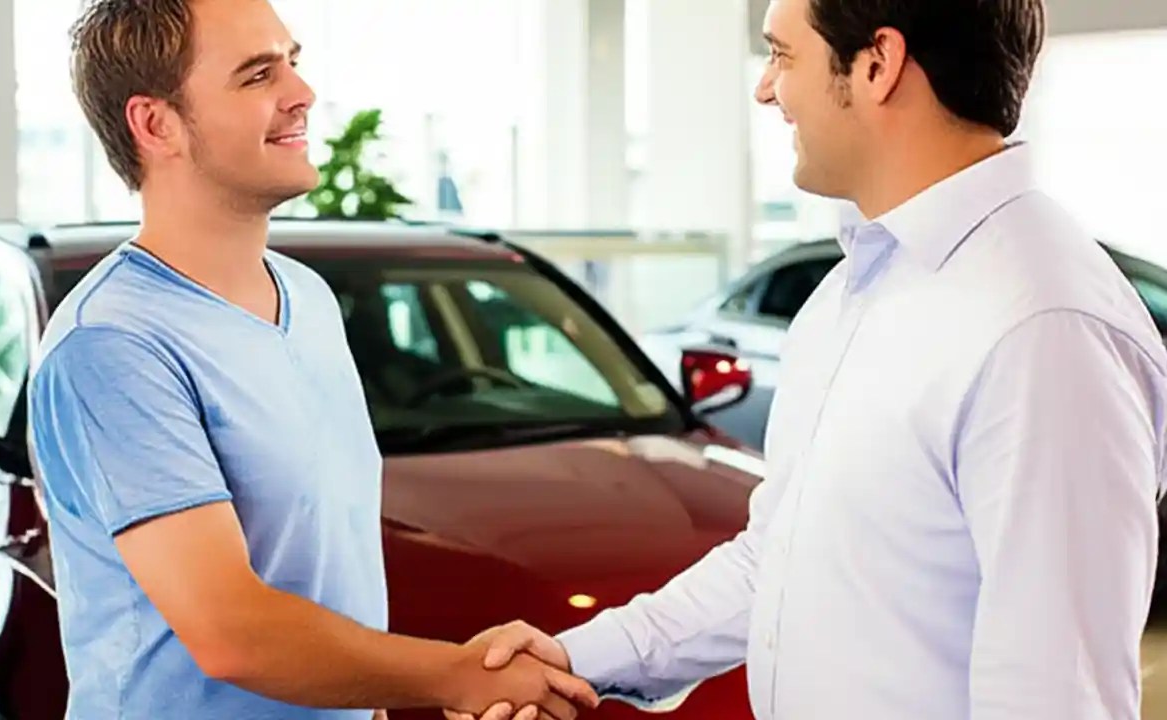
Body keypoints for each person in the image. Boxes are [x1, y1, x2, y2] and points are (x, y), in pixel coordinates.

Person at [453, 0, 1167, 718]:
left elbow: (1053, 698)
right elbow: (777, 559)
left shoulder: (1044, 328)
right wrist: (577, 657)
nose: (766, 89)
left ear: (876, 65)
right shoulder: (848, 293)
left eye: (783, 55)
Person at [26, 1, 599, 719]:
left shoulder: (307, 297)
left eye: (292, 61)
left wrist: (378, 701)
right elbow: (231, 631)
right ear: (156, 124)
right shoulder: (112, 344)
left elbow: (329, 563)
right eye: (258, 74)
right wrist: (455, 675)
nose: (301, 93)